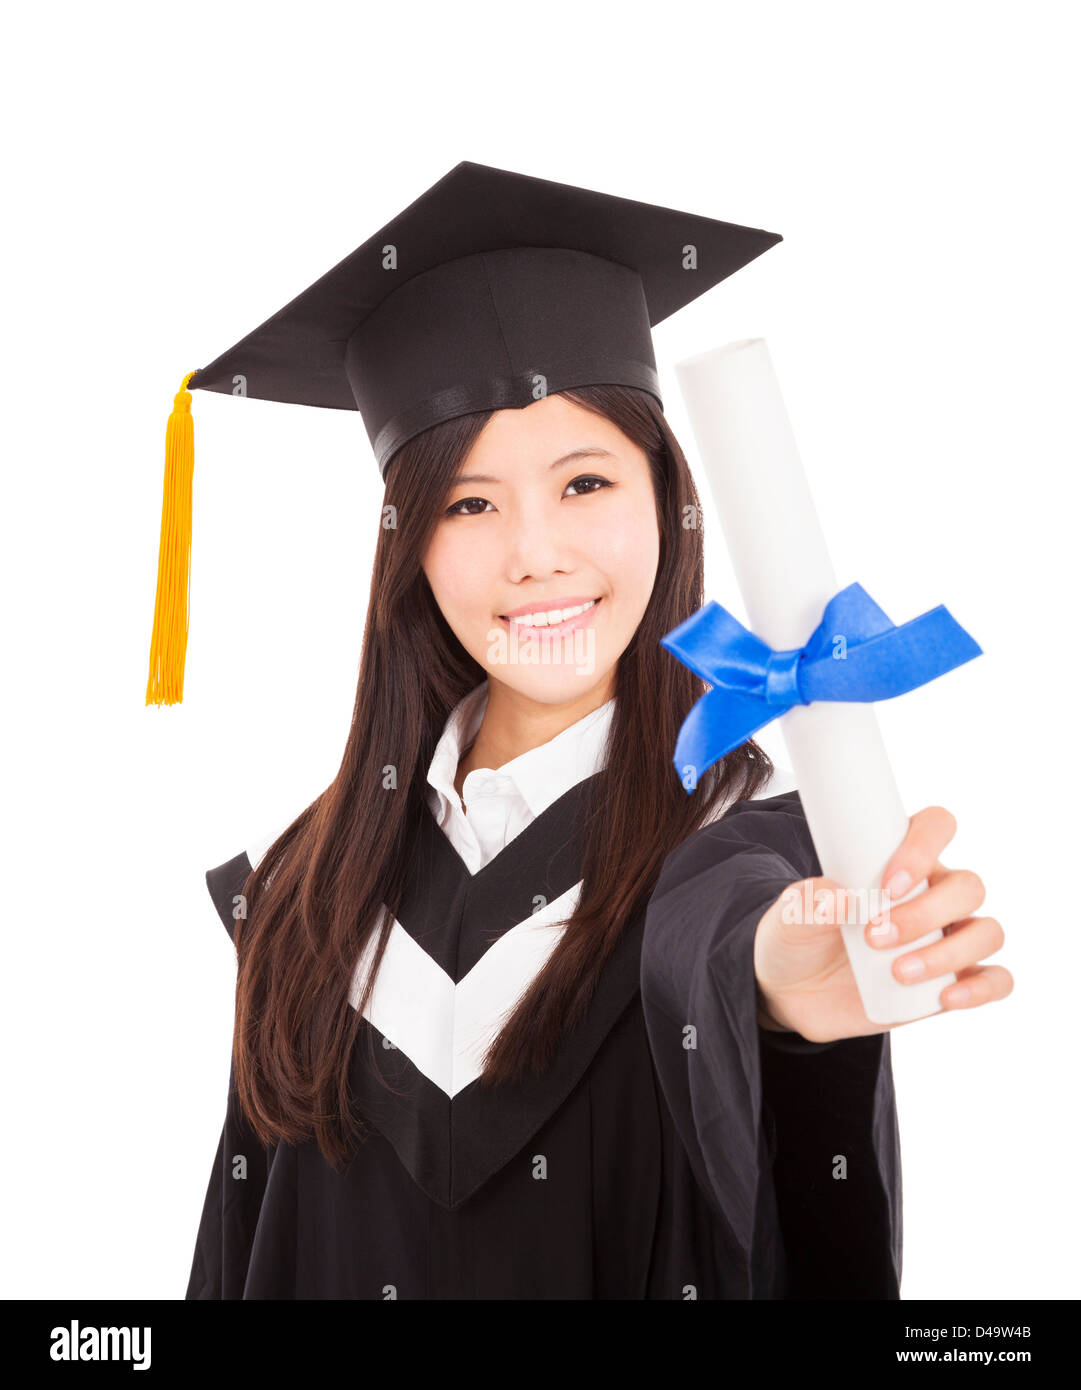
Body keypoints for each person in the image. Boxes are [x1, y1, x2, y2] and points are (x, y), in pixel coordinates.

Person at [164, 163, 1011, 1300]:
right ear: (408, 543)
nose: (535, 555)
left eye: (585, 483)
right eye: (469, 502)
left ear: (665, 497)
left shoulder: (752, 842)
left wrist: (780, 1006)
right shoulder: (313, 890)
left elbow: (727, 931)